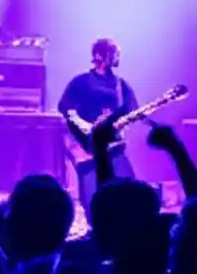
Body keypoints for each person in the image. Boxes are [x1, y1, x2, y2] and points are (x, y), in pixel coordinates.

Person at [58, 38, 139, 208]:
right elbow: (65, 107)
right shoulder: (82, 81)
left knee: (127, 188)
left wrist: (123, 124)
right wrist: (83, 125)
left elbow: (132, 110)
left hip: (113, 144)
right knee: (92, 187)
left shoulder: (120, 84)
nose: (118, 57)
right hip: (86, 144)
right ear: (99, 56)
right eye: (114, 53)